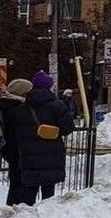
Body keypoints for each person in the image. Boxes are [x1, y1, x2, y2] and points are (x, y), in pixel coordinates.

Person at [10, 70, 74, 206]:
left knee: (28, 197)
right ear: (49, 87)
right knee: (48, 197)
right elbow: (68, 128)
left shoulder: (22, 109)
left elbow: (17, 132)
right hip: (51, 156)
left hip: (28, 157)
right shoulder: (57, 107)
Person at [0, 78, 31, 205]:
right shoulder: (17, 110)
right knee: (19, 183)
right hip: (17, 149)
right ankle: (15, 208)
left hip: (8, 148)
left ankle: (13, 206)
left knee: (16, 182)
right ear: (22, 94)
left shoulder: (5, 106)